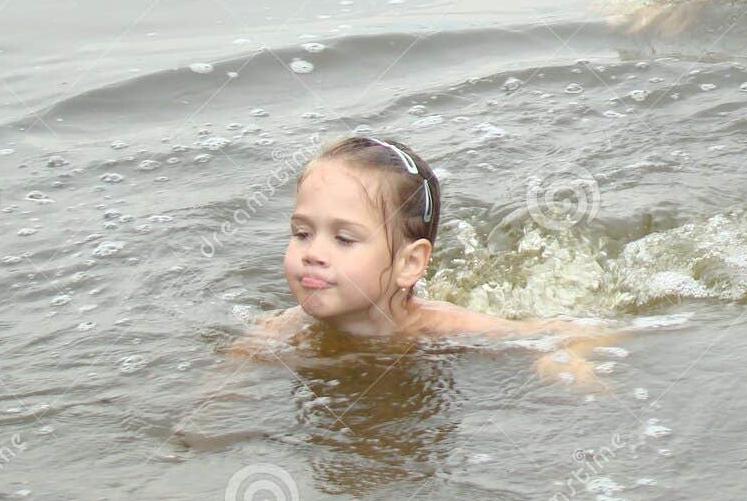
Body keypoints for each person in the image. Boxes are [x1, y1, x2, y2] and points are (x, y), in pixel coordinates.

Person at [243, 135, 609, 389]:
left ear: (409, 263)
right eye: (302, 233)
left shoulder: (442, 329)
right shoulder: (280, 330)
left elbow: (580, 329)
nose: (313, 254)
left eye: (344, 239)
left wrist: (565, 359)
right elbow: (228, 375)